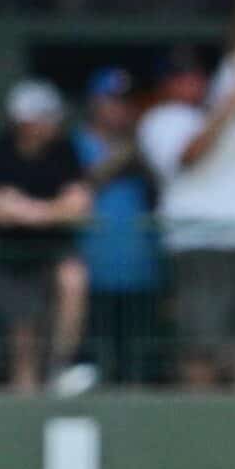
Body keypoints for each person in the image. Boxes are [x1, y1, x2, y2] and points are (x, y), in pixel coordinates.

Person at [138, 0, 235, 388]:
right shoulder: (160, 120)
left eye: (194, 73)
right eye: (180, 76)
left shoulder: (219, 99)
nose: (190, 81)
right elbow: (190, 156)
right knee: (201, 346)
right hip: (198, 242)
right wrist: (226, 110)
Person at [0, 78, 91, 393]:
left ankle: (60, 366)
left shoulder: (64, 150)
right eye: (44, 117)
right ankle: (23, 395)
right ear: (24, 121)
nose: (51, 123)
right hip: (13, 253)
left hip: (55, 248)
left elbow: (79, 204)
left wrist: (27, 211)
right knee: (23, 333)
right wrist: (49, 211)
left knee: (72, 279)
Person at [74, 67, 160, 384]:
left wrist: (138, 155)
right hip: (93, 269)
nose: (120, 108)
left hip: (141, 269)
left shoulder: (144, 144)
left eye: (126, 102)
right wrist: (120, 158)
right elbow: (77, 186)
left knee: (138, 364)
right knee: (95, 363)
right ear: (95, 103)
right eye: (112, 100)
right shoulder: (76, 142)